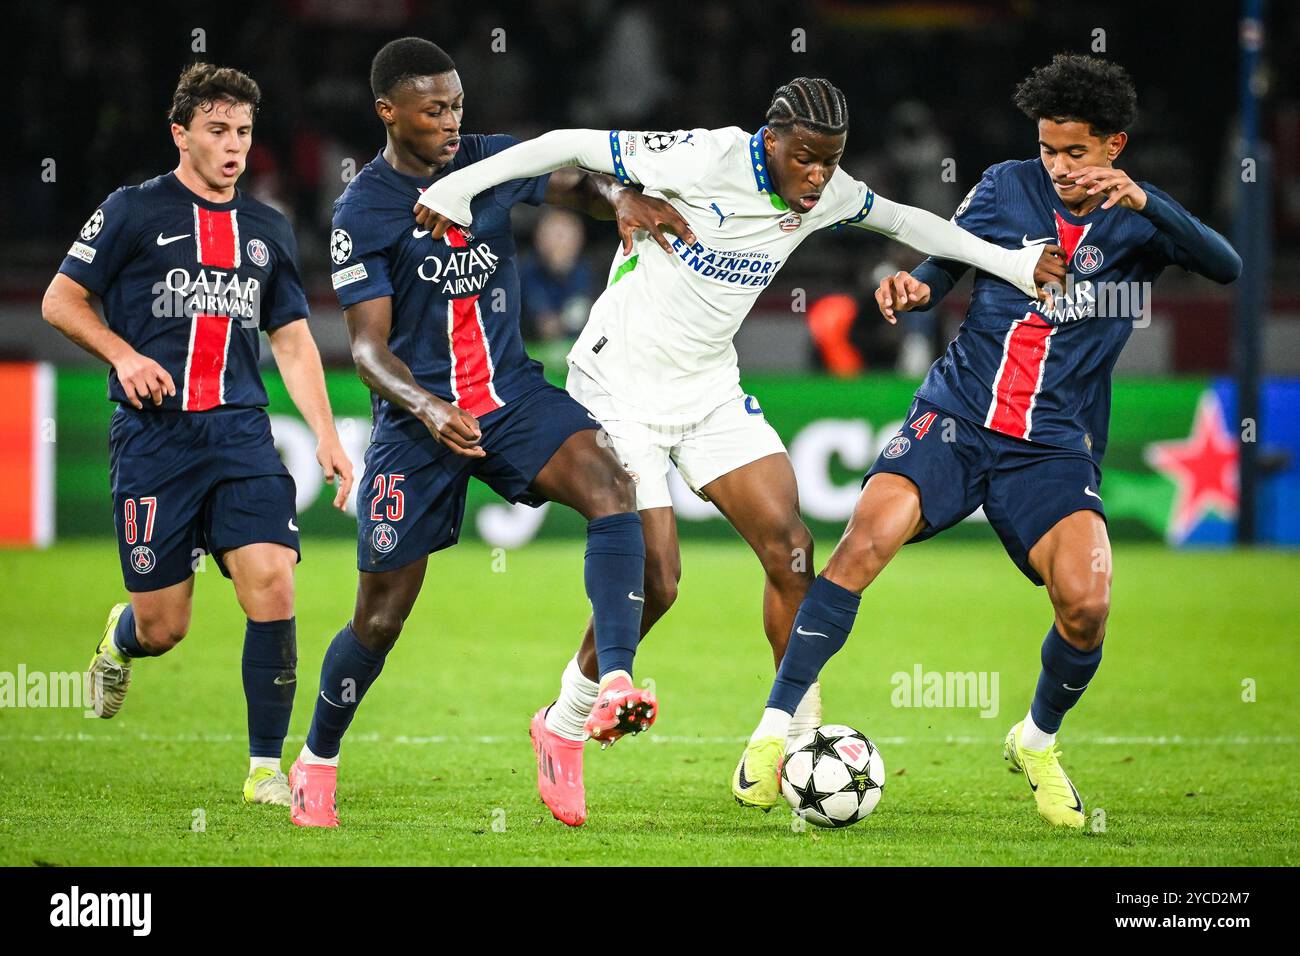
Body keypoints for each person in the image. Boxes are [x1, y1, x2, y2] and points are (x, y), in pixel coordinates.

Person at [413, 76, 1067, 826]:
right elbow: (564, 146)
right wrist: (460, 187)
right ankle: (562, 725)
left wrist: (1016, 266)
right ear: (772, 139)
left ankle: (797, 734)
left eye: (833, 162)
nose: (819, 177)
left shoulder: (824, 193)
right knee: (659, 581)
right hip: (621, 384)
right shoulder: (702, 158)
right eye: (809, 159)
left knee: (791, 546)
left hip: (709, 392)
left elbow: (915, 224)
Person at [733, 54, 1241, 828]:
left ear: (1115, 145)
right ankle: (773, 734)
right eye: (1048, 149)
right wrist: (916, 286)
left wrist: (1149, 200)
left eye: (1077, 152)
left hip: (1052, 445)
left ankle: (1035, 740)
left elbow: (1226, 265)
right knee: (861, 545)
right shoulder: (1005, 186)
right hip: (957, 416)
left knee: (1087, 605)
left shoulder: (1139, 219)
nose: (1060, 167)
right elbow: (947, 262)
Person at [290, 38, 693, 828]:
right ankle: (317, 759)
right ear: (389, 113)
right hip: (418, 422)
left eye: (457, 105)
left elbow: (570, 176)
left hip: (509, 398)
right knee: (380, 617)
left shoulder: (486, 159)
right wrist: (429, 408)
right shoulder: (363, 209)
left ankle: (608, 686)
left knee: (615, 484)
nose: (451, 121)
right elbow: (368, 352)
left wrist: (616, 197)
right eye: (433, 109)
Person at [43, 63, 354, 806]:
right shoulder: (130, 211)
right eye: (217, 130)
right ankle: (122, 637)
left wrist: (326, 435)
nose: (234, 146)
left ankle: (262, 771)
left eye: (243, 132)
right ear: (179, 133)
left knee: (275, 582)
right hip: (156, 442)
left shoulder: (268, 229)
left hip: (243, 436)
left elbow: (292, 340)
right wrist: (122, 353)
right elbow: (60, 299)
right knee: (165, 626)